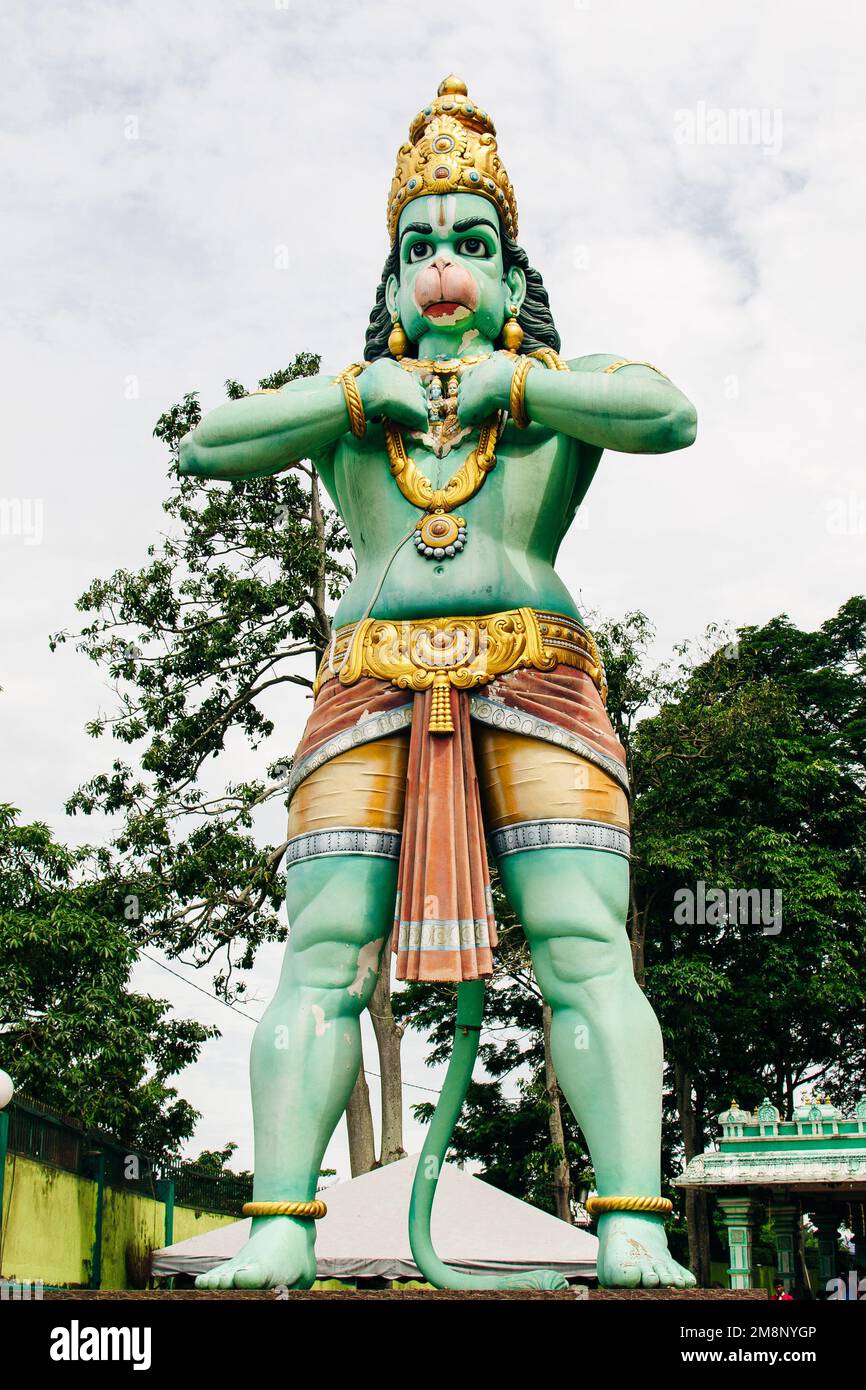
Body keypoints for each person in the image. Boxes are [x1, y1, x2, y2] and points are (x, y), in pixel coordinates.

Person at [181, 75, 698, 1290]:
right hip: (365, 681)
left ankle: (628, 1219)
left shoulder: (559, 399)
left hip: (537, 671)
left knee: (579, 945)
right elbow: (209, 442)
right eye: (418, 248)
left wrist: (510, 384)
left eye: (473, 245)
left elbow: (667, 414)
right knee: (323, 951)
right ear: (388, 284)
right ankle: (277, 1225)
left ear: (513, 283)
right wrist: (368, 389)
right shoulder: (351, 414)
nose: (443, 268)